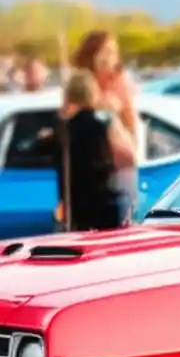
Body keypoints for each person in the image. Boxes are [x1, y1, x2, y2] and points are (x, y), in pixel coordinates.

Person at [71, 30, 142, 223]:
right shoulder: (84, 90)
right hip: (96, 177)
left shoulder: (119, 86)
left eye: (113, 52)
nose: (110, 59)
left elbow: (131, 128)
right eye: (105, 53)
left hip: (121, 171)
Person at [56, 71, 131, 231]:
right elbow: (126, 156)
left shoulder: (65, 129)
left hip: (75, 205)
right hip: (101, 200)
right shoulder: (102, 123)